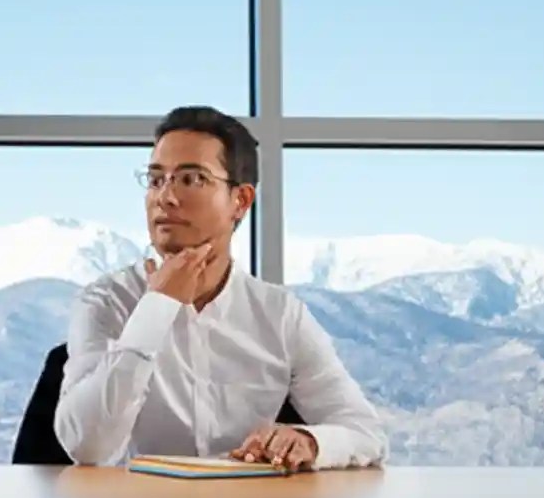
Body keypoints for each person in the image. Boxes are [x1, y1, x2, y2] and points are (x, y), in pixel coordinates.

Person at [54, 105, 387, 471]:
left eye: (191, 179)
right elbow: (86, 446)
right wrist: (156, 307)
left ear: (240, 201)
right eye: (156, 180)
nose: (166, 197)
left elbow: (366, 432)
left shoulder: (279, 315)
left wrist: (310, 441)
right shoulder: (106, 302)